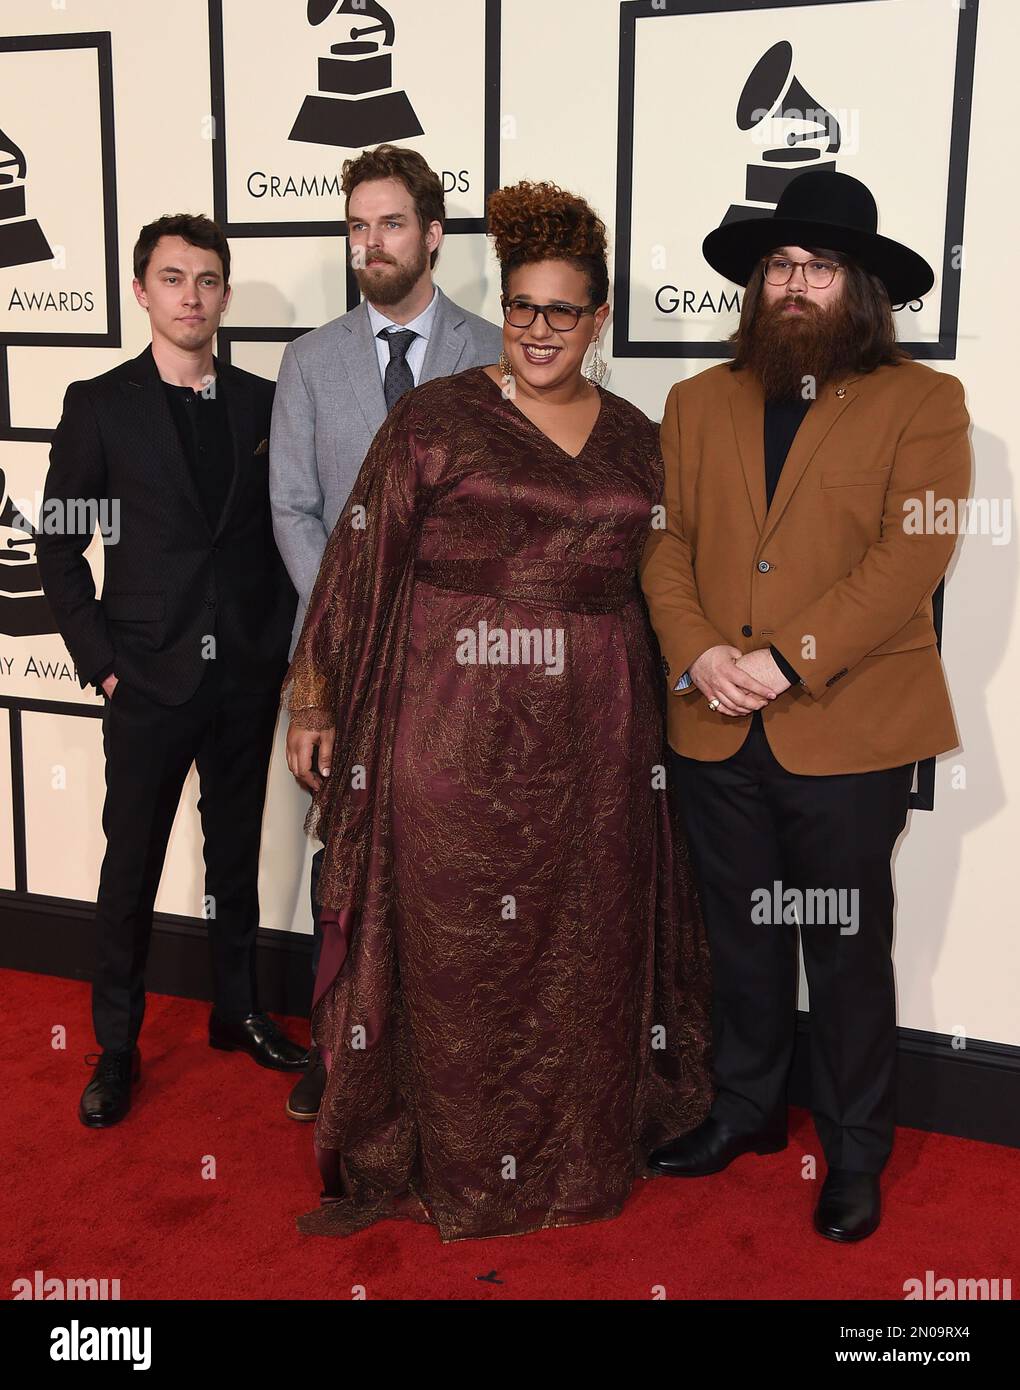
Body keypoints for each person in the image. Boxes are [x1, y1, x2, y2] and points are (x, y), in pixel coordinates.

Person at [282, 180, 712, 1241]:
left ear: (599, 318)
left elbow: (670, 578)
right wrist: (317, 696)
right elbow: (355, 564)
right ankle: (463, 1161)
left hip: (601, 736)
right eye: (521, 306)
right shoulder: (436, 416)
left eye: (562, 311)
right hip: (454, 726)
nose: (537, 330)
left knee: (585, 937)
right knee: (460, 940)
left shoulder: (639, 438)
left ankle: (577, 1158)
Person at [640, 170, 971, 1241]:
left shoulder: (925, 403)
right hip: (712, 721)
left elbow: (912, 553)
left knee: (842, 945)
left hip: (846, 724)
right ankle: (746, 1111)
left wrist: (787, 656)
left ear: (858, 287)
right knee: (738, 938)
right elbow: (665, 543)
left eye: (818, 267)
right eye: (779, 265)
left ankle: (856, 1152)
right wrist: (699, 653)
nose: (794, 283)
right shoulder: (697, 402)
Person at [37, 213, 306, 1129]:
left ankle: (235, 1012)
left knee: (236, 859)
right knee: (130, 871)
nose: (192, 295)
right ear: (143, 290)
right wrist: (105, 665)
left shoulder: (265, 403)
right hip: (147, 680)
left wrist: (274, 652)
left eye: (208, 279)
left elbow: (282, 534)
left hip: (242, 677)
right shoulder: (99, 404)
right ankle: (116, 1046)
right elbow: (61, 549)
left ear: (224, 293)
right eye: (173, 278)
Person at [269, 145, 502, 1123]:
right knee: (345, 863)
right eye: (358, 225)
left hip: (462, 667)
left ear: (433, 233)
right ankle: (337, 1043)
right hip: (346, 660)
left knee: (455, 856)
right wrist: (357, 618)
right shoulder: (310, 359)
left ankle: (444, 1049)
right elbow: (292, 507)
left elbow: (502, 517)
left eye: (391, 223)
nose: (371, 242)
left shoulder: (496, 351)